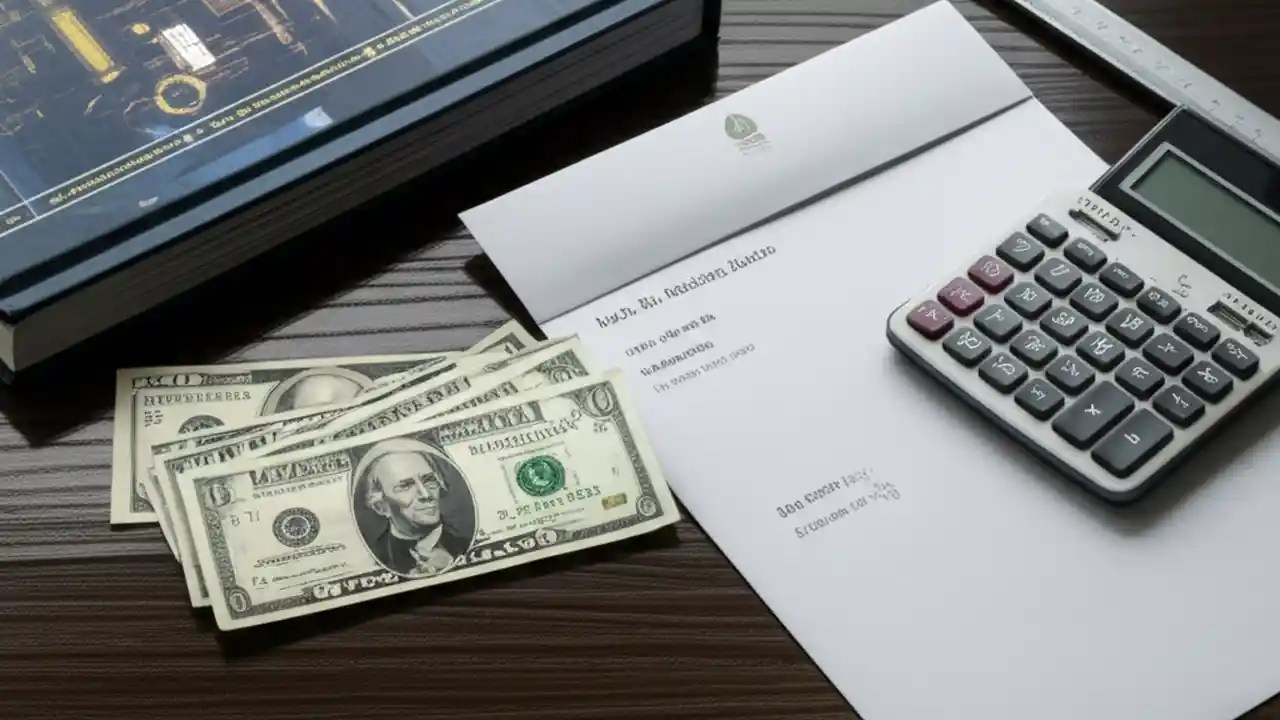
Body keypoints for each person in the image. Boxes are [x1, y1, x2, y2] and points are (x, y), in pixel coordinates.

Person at [354, 439, 473, 576]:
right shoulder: (373, 559)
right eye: (405, 486)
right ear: (381, 507)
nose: (426, 494)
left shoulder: (463, 546)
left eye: (429, 481)